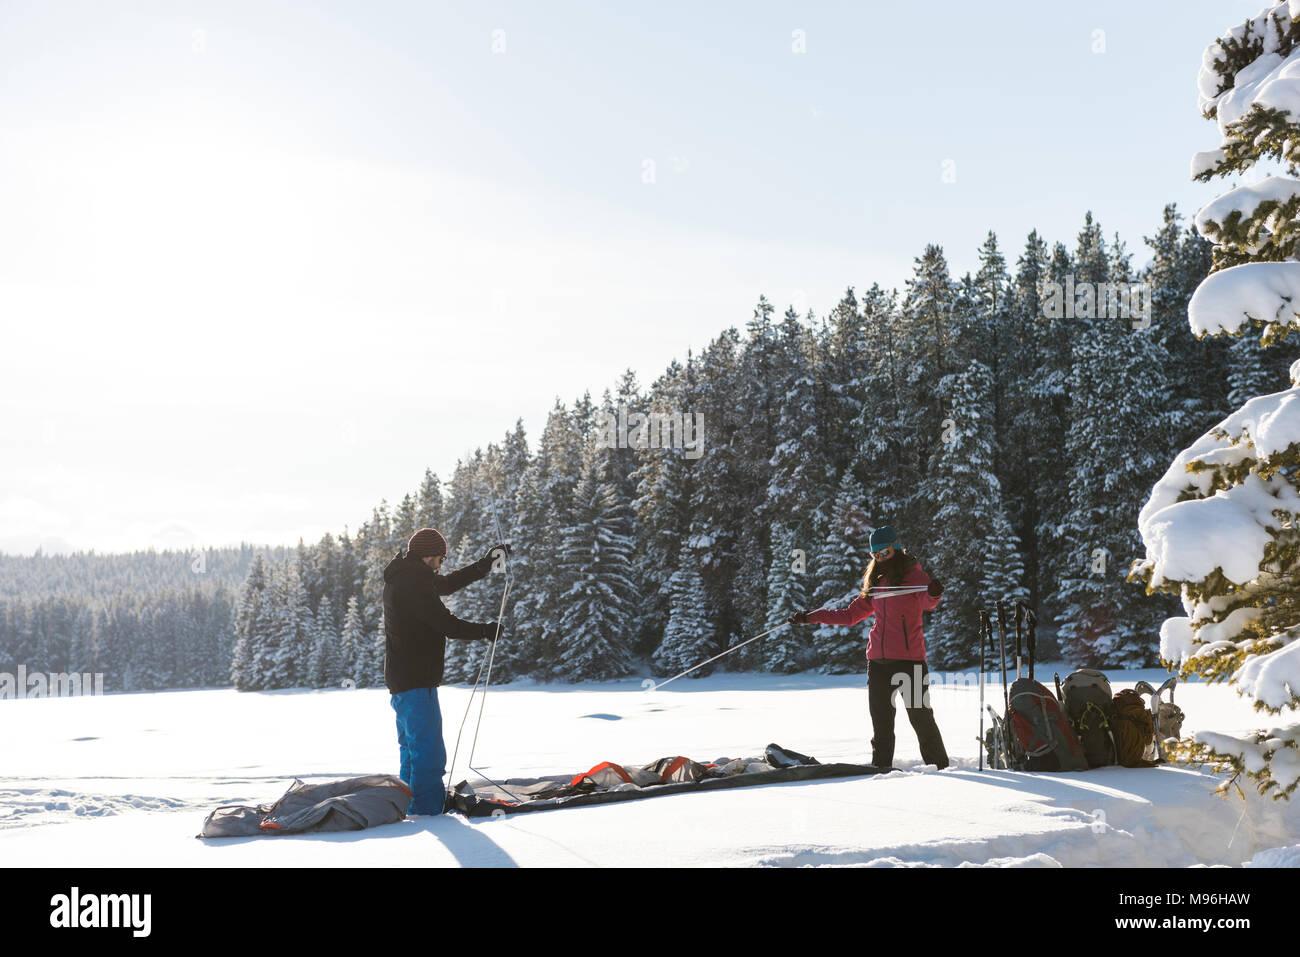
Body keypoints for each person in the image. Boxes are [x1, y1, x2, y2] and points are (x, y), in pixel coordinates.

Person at [788, 524, 949, 770]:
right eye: (876, 555)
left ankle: (941, 767)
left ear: (896, 547)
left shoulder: (915, 576)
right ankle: (880, 769)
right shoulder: (876, 581)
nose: (881, 558)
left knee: (921, 719)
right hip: (878, 664)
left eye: (885, 552)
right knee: (881, 723)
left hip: (910, 661)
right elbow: (850, 615)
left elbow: (927, 602)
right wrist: (812, 616)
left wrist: (934, 593)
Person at [383, 527, 509, 815]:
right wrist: (485, 631)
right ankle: (428, 813)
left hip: (404, 681)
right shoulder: (411, 583)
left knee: (413, 752)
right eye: (440, 559)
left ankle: (412, 806)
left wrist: (483, 566)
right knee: (428, 754)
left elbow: (446, 585)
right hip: (415, 680)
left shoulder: (406, 576)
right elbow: (447, 624)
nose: (442, 565)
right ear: (428, 557)